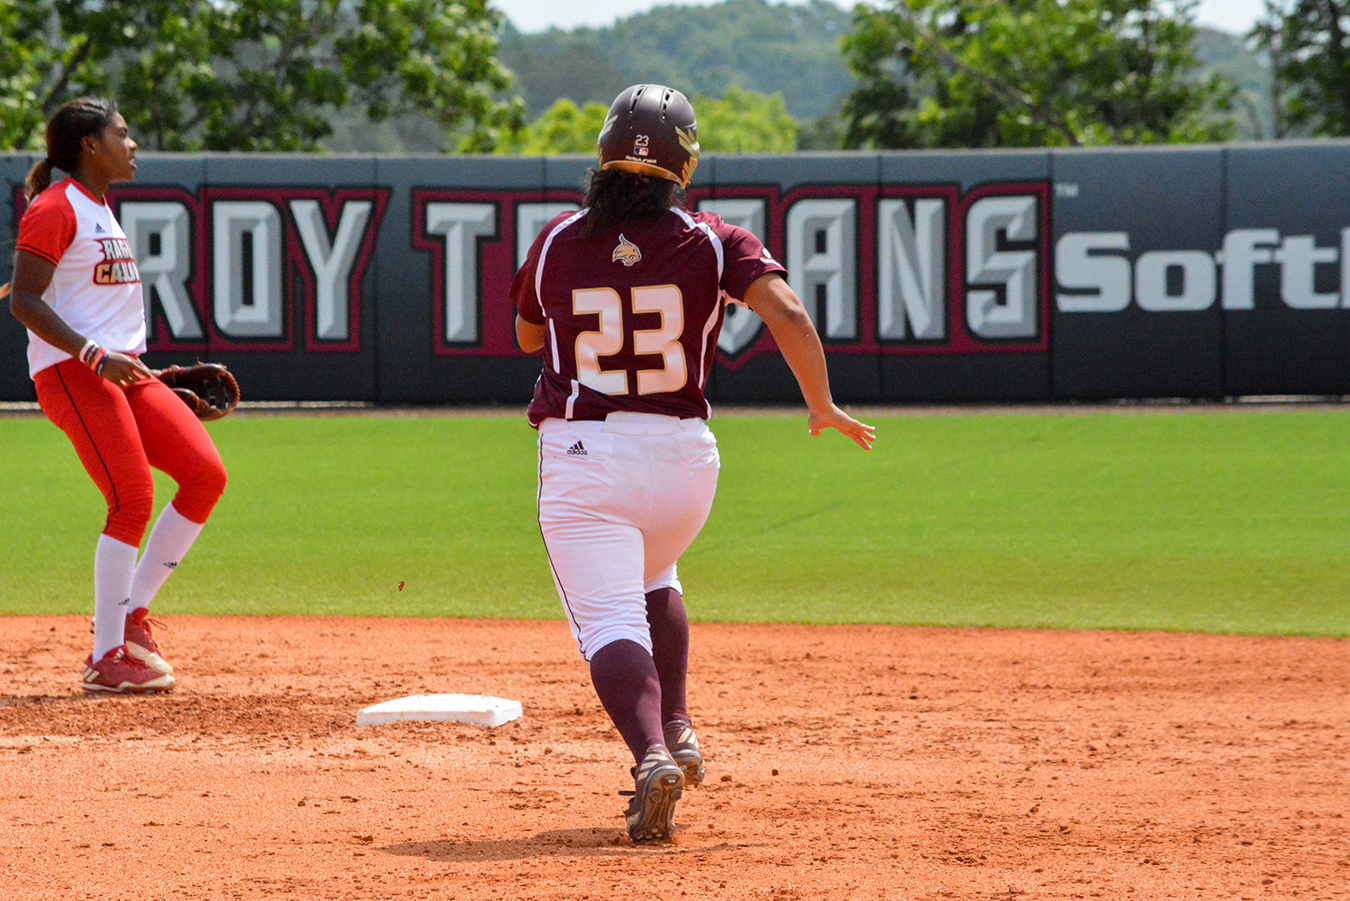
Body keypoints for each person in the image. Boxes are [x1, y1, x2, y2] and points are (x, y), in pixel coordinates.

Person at [511, 84, 874, 842]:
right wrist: (822, 404)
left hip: (587, 452)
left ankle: (651, 756)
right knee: (656, 575)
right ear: (686, 163)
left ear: (604, 155)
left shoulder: (555, 241)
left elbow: (523, 335)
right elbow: (788, 313)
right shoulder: (716, 240)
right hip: (684, 465)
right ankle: (675, 723)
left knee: (611, 615)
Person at [5, 98, 227, 694]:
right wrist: (93, 355)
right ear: (89, 146)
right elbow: (23, 302)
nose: (132, 145)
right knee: (132, 496)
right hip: (74, 373)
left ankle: (132, 615)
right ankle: (106, 657)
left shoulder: (97, 208)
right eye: (121, 134)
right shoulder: (55, 207)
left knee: (204, 474)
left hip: (123, 373)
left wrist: (145, 374)